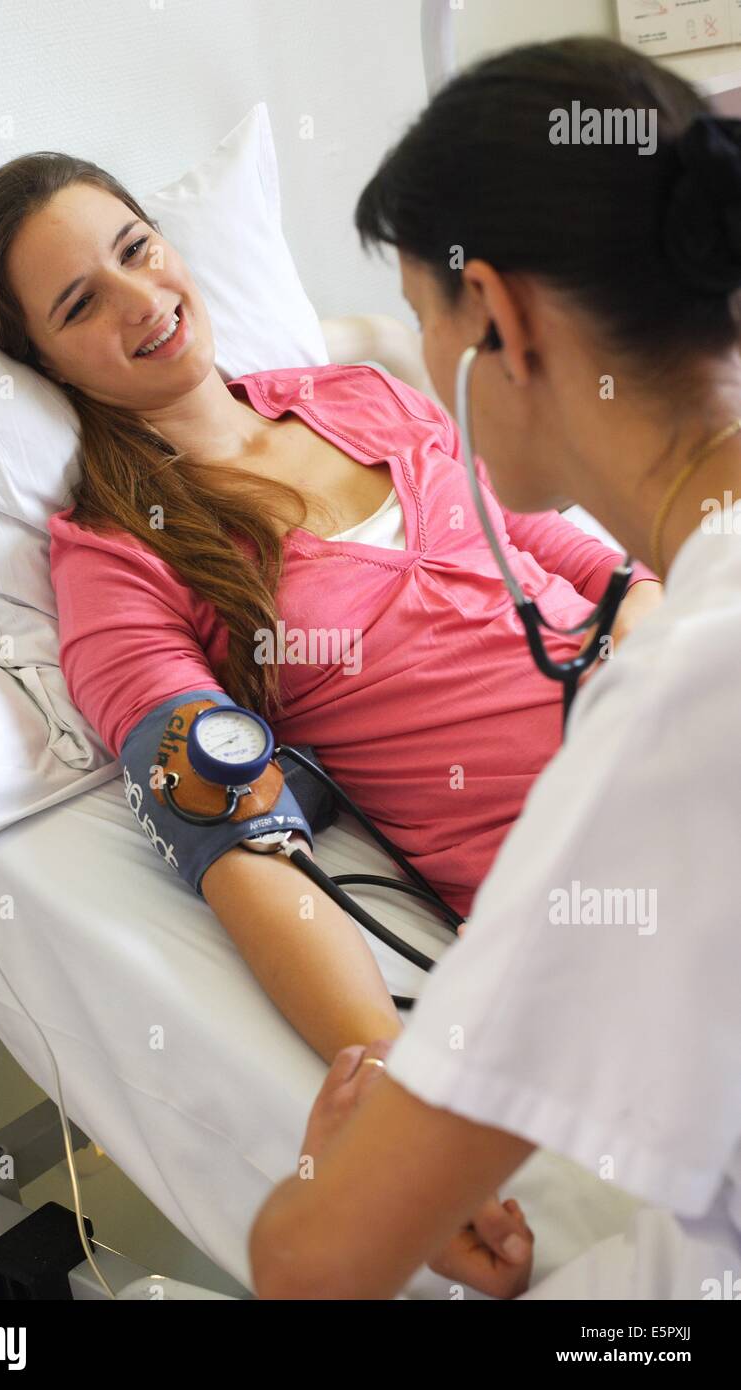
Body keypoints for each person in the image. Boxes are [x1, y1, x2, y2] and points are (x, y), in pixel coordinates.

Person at [0, 145, 659, 1083]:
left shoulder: (361, 396)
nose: (142, 300)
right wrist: (385, 1082)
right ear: (38, 364)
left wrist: (647, 644)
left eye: (137, 249)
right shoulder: (118, 557)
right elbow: (226, 828)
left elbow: (562, 551)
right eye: (80, 304)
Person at [248, 35, 741, 1300]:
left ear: (499, 320)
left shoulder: (681, 704)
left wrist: (340, 1158)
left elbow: (317, 1262)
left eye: (419, 317)